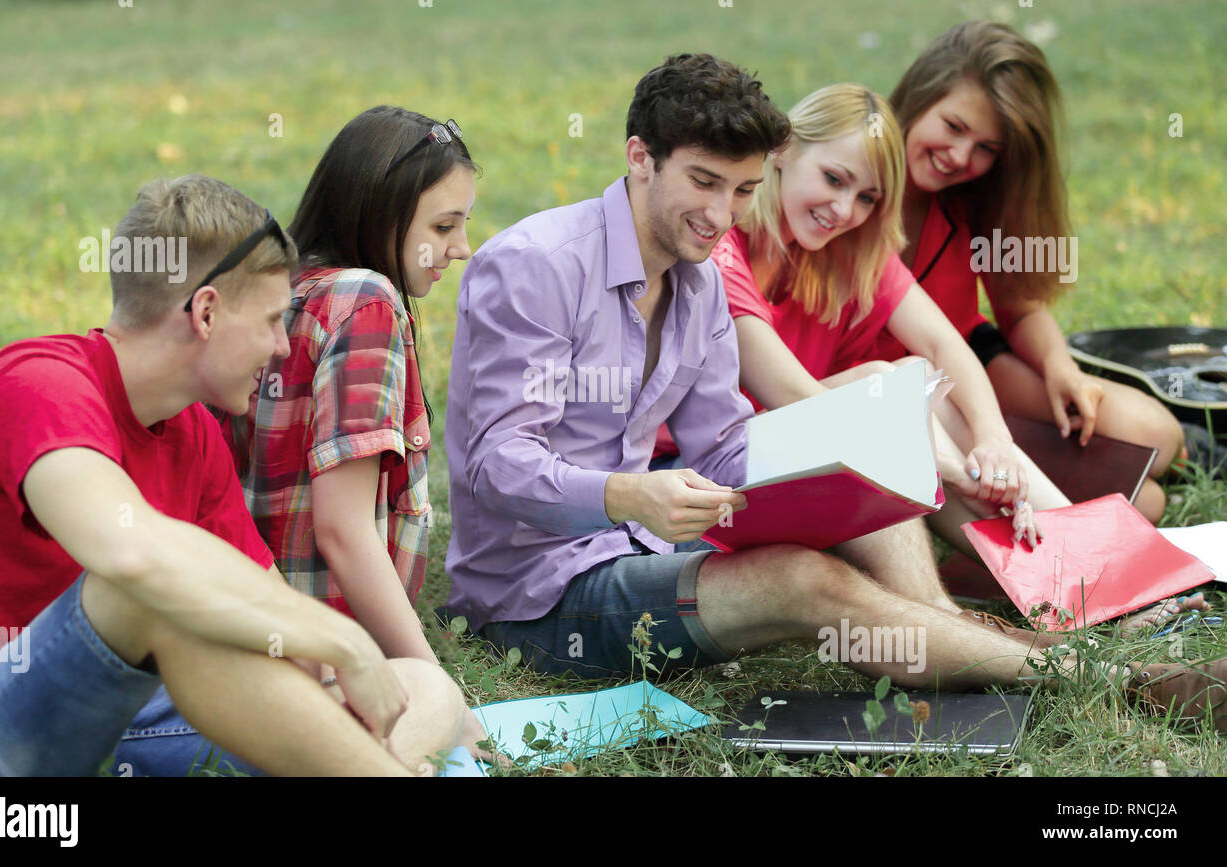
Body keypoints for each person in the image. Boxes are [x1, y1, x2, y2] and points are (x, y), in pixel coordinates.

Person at [441, 53, 1226, 731]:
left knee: (868, 479)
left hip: (652, 537)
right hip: (539, 594)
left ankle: (961, 636)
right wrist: (625, 494)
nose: (721, 215)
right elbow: (494, 468)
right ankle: (1097, 678)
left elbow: (721, 442)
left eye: (743, 191)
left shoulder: (699, 276)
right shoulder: (538, 266)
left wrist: (863, 445)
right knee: (801, 577)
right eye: (703, 182)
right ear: (640, 157)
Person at [0, 174, 464, 776]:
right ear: (206, 312)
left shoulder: (195, 435)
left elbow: (277, 633)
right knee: (148, 594)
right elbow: (131, 558)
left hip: (131, 725)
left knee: (424, 687)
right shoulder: (39, 386)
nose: (282, 349)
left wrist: (329, 671)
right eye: (269, 321)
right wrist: (342, 640)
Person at [116, 108, 494, 774]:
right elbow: (344, 533)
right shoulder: (365, 300)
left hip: (234, 638)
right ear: (380, 217)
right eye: (443, 227)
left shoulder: (272, 292)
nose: (460, 248)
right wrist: (445, 692)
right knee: (430, 701)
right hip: (309, 649)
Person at [690, 82, 1066, 556]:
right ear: (782, 151)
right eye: (834, 178)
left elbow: (944, 346)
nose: (846, 210)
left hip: (801, 446)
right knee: (882, 386)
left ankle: (1082, 560)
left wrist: (995, 445)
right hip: (711, 471)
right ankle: (1063, 568)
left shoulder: (851, 249)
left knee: (918, 376)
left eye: (867, 197)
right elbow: (793, 397)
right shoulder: (721, 252)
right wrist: (954, 471)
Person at [872, 20, 1184, 523]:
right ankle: (1035, 487)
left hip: (966, 359)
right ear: (918, 99)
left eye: (986, 148)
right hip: (888, 378)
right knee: (1144, 502)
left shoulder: (976, 195)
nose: (959, 157)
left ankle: (1037, 465)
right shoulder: (849, 185)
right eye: (953, 127)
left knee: (1158, 435)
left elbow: (1018, 307)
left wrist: (1060, 366)